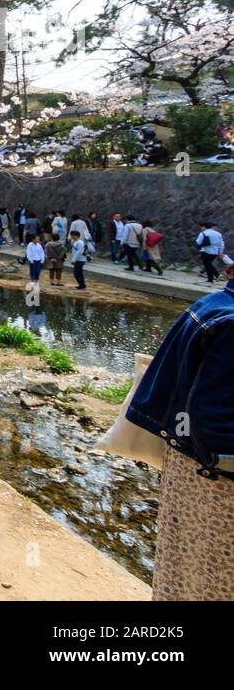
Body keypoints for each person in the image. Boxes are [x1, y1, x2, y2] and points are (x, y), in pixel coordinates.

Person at [125, 256, 234, 599]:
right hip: (214, 476)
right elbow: (214, 417)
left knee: (184, 566)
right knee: (213, 575)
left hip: (186, 463)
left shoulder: (214, 304)